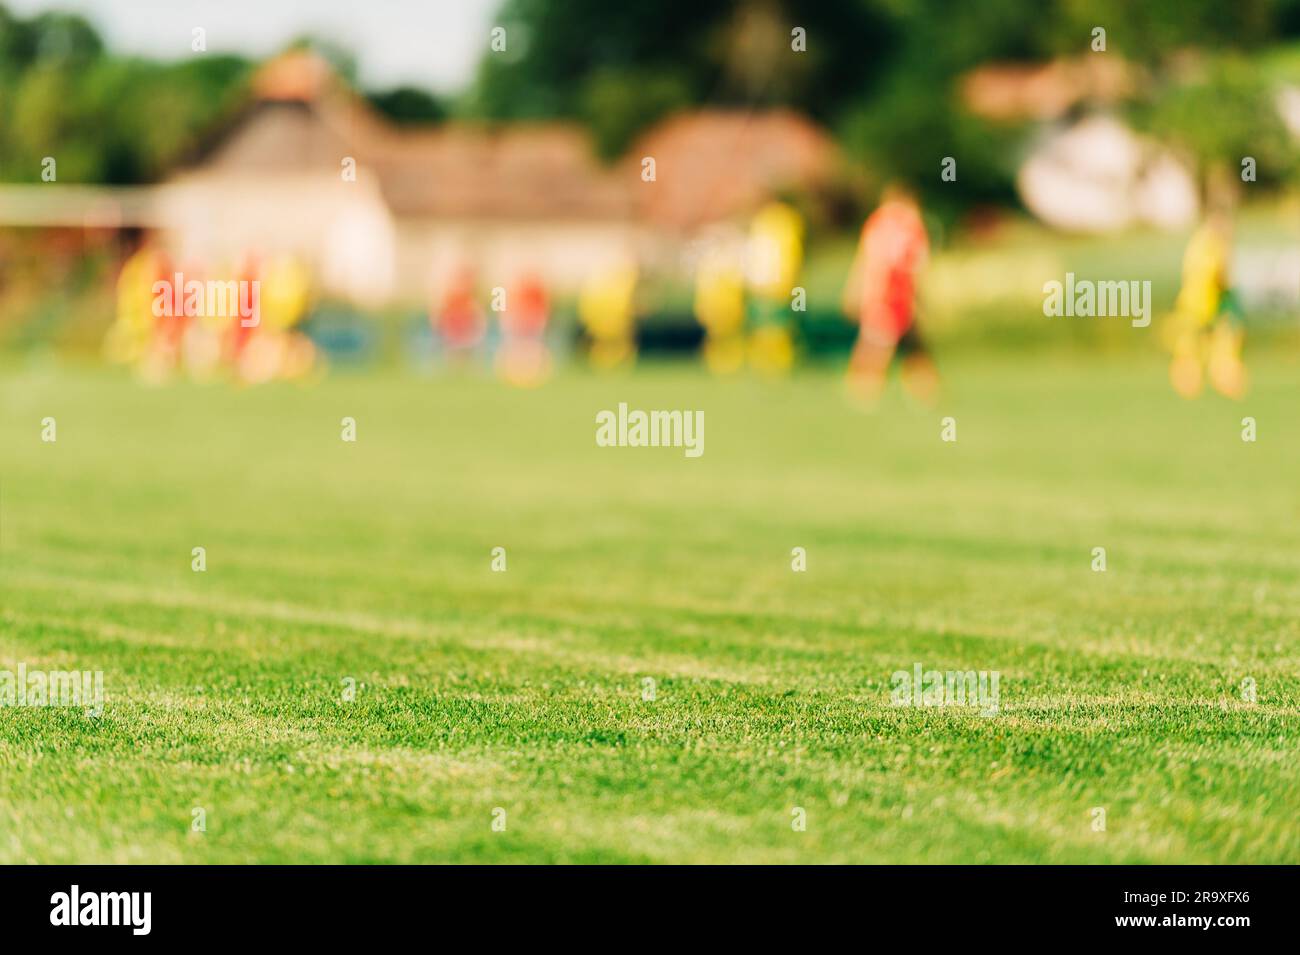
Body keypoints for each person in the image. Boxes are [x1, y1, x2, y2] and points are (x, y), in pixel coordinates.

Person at [842, 184, 938, 405]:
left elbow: (865, 262)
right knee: (881, 345)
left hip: (885, 295)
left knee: (906, 345)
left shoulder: (878, 224)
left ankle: (923, 391)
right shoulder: (911, 227)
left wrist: (856, 290)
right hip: (895, 295)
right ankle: (864, 390)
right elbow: (918, 265)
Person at [1166, 178, 1246, 399]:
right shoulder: (1213, 243)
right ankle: (1221, 383)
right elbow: (1221, 276)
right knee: (1216, 347)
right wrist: (1231, 298)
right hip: (1204, 305)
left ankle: (1193, 386)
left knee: (1193, 350)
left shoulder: (1200, 239)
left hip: (1192, 303)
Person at [744, 201, 803, 375]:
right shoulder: (788, 222)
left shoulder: (763, 222)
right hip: (782, 284)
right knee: (777, 324)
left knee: (770, 324)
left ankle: (769, 363)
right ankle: (775, 363)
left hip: (765, 283)